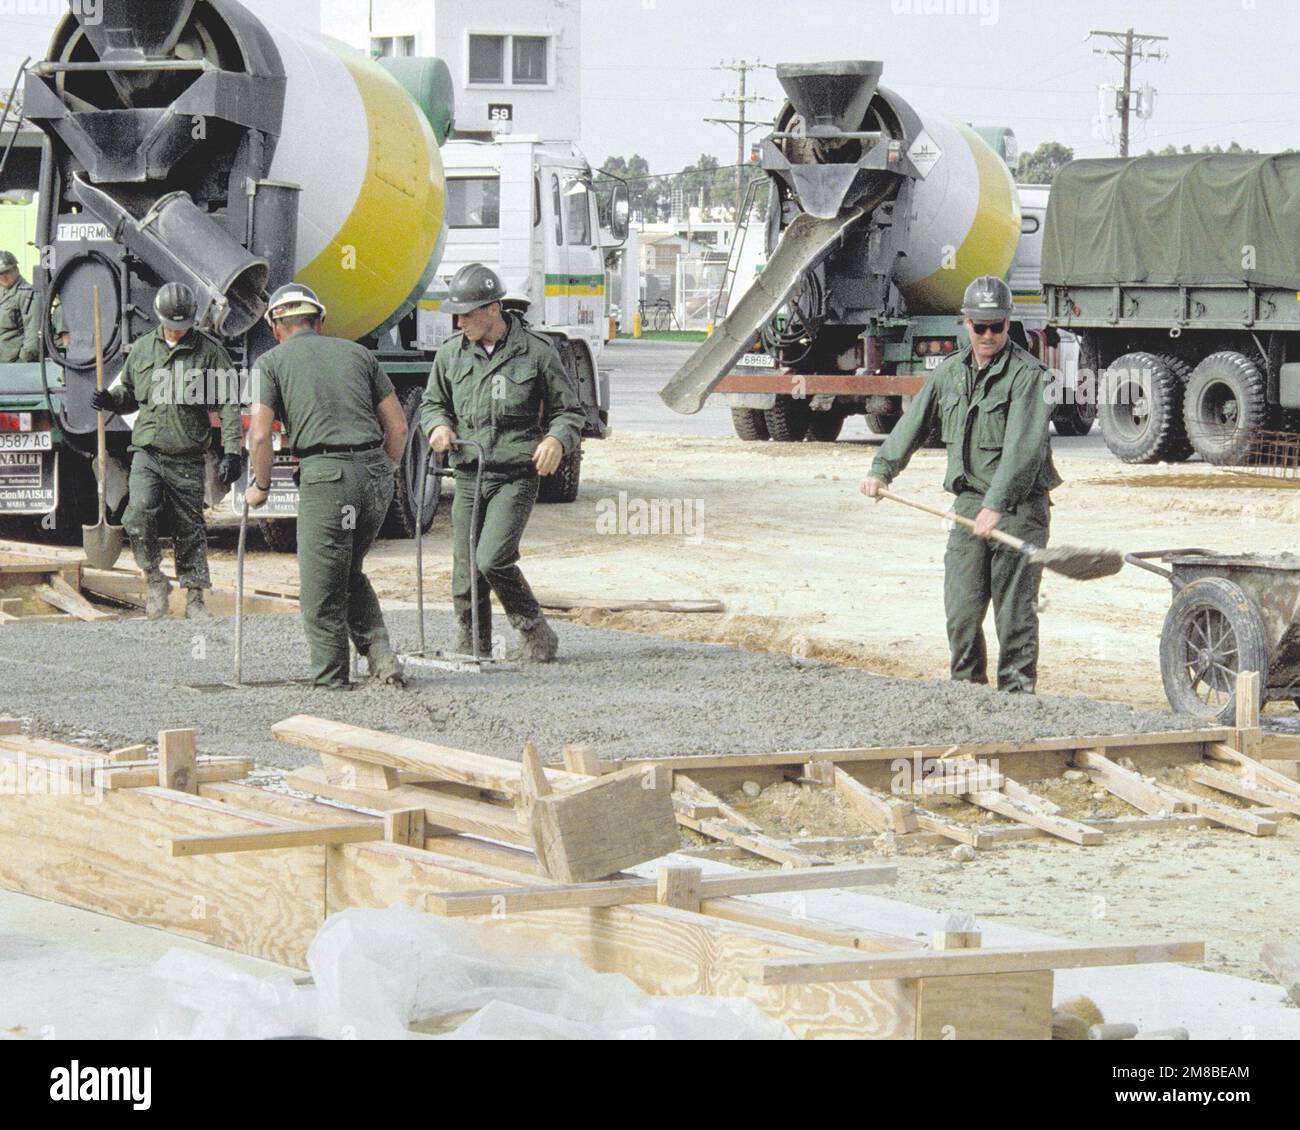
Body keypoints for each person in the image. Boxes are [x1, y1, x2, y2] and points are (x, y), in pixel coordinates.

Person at [859, 275, 1062, 693]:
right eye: (979, 326)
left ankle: (1016, 699)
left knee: (1014, 615)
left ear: (1009, 323)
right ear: (965, 323)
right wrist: (882, 469)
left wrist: (997, 504)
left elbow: (1023, 450)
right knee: (962, 611)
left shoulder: (1031, 377)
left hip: (1018, 511)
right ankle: (966, 693)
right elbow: (912, 425)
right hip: (969, 506)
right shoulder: (949, 372)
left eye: (996, 326)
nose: (987, 335)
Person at [245, 283, 408, 690]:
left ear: (275, 325)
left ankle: (331, 682)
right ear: (320, 322)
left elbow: (261, 436)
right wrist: (384, 471)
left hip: (326, 478)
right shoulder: (359, 353)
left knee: (319, 592)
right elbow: (399, 426)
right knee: (347, 570)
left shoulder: (271, 362)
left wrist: (261, 486)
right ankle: (382, 658)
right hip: (374, 476)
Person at [420, 263, 584, 661]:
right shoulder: (450, 356)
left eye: (469, 313)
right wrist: (438, 426)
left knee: (492, 557)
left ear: (494, 309)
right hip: (468, 475)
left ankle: (534, 630)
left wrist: (555, 440)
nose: (460, 322)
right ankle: (472, 646)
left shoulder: (536, 353)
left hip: (515, 475)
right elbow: (432, 404)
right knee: (465, 572)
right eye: (457, 314)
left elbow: (570, 413)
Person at [92, 283, 242, 620]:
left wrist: (233, 451)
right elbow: (129, 394)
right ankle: (155, 578)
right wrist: (110, 400)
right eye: (172, 325)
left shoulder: (209, 353)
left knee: (189, 527)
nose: (177, 331)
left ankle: (195, 598)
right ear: (160, 319)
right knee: (136, 514)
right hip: (148, 453)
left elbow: (230, 405)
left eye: (183, 325)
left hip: (188, 456)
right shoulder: (143, 350)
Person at [0, 249, 39, 363]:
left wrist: (21, 362)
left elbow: (33, 336)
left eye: (7, 272)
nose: (3, 277)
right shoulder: (3, 292)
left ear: (16, 269)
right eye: (0, 274)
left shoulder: (28, 293)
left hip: (15, 366)